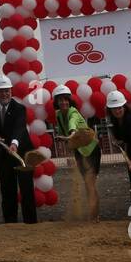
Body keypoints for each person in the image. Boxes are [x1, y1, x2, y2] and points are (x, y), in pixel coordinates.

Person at [0, 75, 37, 224]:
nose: (4, 94)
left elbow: (19, 128)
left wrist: (14, 143)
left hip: (22, 154)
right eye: (1, 91)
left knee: (26, 190)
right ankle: (10, 222)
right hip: (4, 155)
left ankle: (31, 223)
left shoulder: (20, 108)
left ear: (11, 91)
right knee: (7, 190)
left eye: (7, 91)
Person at [52, 84, 100, 220]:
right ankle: (93, 212)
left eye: (65, 99)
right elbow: (63, 131)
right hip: (79, 150)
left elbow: (72, 125)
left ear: (70, 101)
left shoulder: (73, 112)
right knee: (86, 181)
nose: (63, 102)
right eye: (60, 100)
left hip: (91, 149)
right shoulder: (58, 115)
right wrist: (62, 138)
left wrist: (71, 134)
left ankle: (95, 214)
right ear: (56, 102)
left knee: (90, 181)